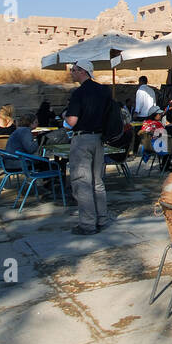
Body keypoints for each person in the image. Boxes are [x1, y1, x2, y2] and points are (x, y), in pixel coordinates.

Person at [64, 59, 114, 234]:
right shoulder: (104, 91)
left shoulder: (79, 93)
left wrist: (65, 116)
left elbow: (72, 121)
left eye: (74, 69)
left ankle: (87, 224)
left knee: (82, 182)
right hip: (99, 139)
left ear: (83, 71)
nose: (71, 72)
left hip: (82, 140)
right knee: (97, 181)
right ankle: (102, 219)